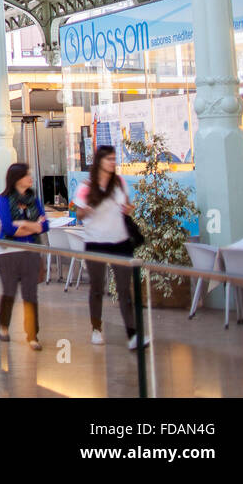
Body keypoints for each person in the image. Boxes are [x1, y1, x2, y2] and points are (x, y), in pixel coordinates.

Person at [72, 145, 145, 349]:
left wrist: (129, 209)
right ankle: (96, 328)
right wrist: (86, 211)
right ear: (99, 162)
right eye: (109, 159)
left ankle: (132, 334)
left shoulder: (120, 183)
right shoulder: (86, 187)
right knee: (96, 288)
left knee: (124, 290)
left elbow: (126, 206)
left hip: (120, 242)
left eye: (114, 159)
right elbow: (78, 214)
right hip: (96, 242)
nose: (113, 163)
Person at [0, 163, 48, 351]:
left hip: (31, 250)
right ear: (17, 178)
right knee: (9, 291)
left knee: (30, 293)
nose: (30, 178)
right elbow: (8, 228)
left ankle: (32, 335)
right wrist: (32, 225)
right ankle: (3, 325)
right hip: (8, 252)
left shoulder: (34, 200)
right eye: (27, 175)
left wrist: (24, 224)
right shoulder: (4, 199)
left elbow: (45, 225)